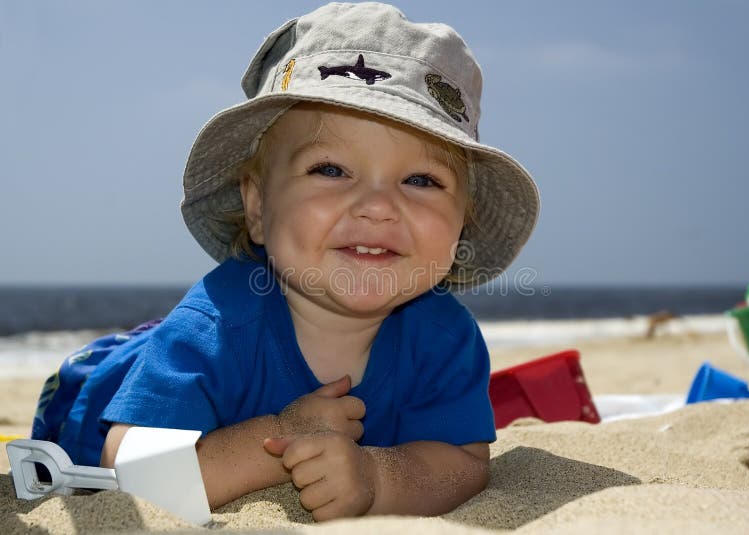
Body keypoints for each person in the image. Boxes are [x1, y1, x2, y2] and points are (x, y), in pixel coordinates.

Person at [31, 2, 540, 520]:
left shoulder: (446, 338)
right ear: (257, 208)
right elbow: (134, 468)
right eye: (331, 169)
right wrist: (281, 438)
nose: (379, 206)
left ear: (461, 225)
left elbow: (463, 463)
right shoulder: (215, 324)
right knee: (136, 363)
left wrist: (377, 478)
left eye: (421, 180)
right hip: (87, 401)